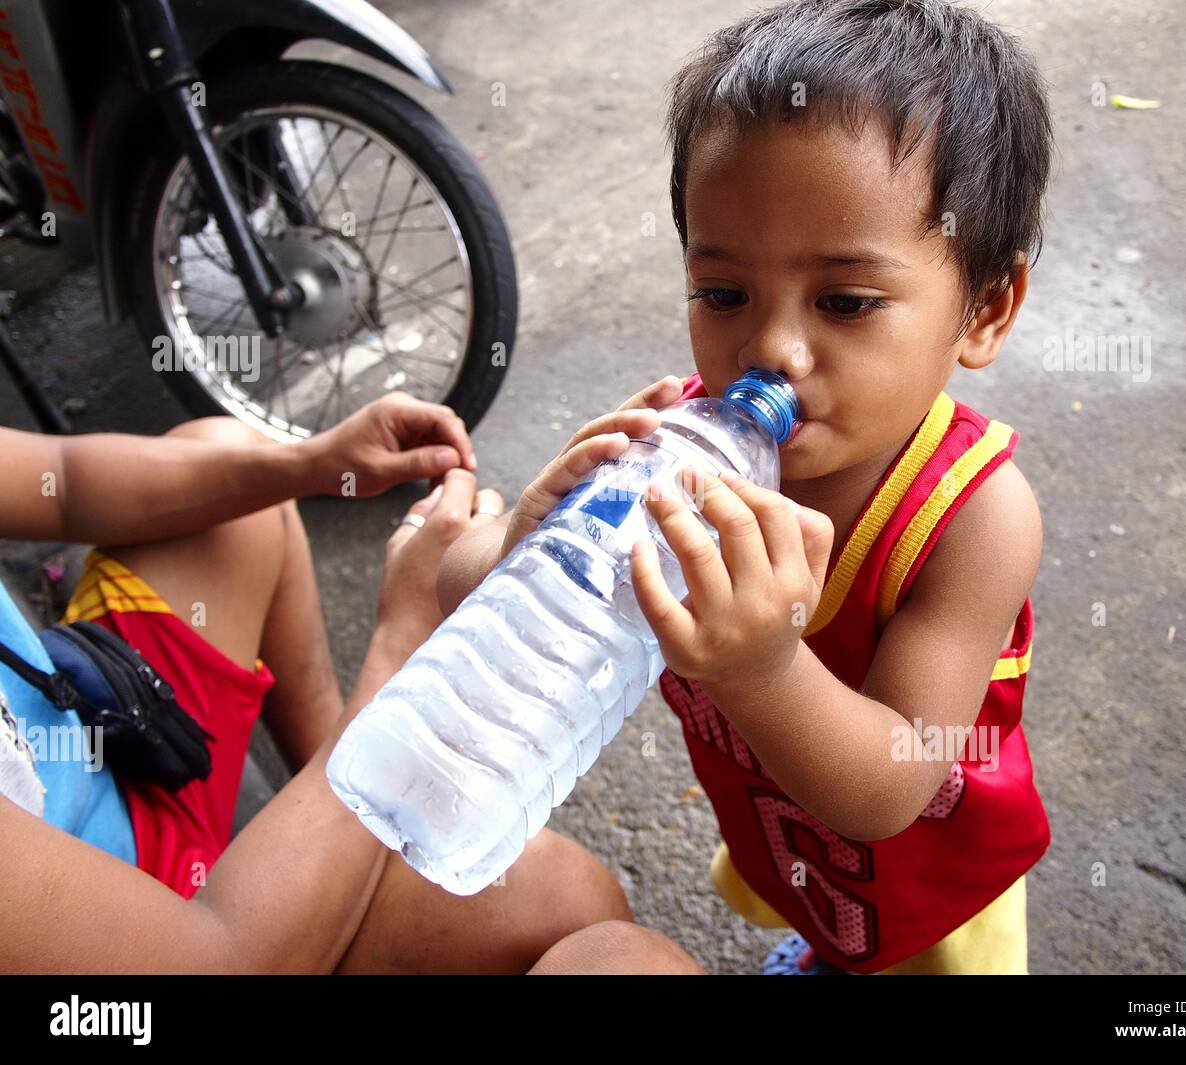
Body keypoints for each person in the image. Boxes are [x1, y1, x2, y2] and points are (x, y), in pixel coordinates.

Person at [438, 0, 1053, 974]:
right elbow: (461, 600)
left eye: (845, 302)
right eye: (723, 294)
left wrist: (761, 669)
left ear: (985, 307)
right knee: (818, 925)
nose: (769, 347)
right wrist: (523, 540)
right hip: (787, 829)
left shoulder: (973, 519)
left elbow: (887, 787)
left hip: (924, 888)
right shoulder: (676, 443)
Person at [0, 391, 702, 974]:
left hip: (92, 762)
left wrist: (313, 462)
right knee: (602, 938)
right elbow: (214, 961)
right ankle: (355, 790)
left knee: (231, 483)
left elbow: (59, 479)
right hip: (141, 964)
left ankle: (342, 797)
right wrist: (405, 640)